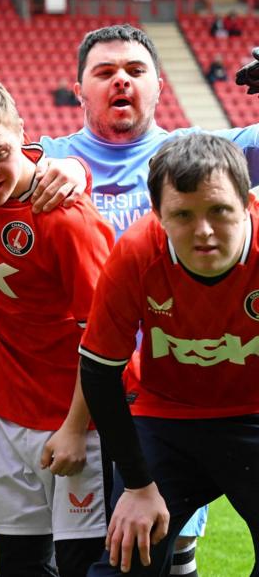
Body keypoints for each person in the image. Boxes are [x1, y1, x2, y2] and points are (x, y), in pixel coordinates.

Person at [38, 24, 259, 572]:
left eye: (135, 71)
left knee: (174, 545)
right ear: (78, 88)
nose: (203, 229)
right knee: (113, 548)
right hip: (117, 389)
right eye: (105, 72)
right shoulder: (47, 160)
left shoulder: (208, 156)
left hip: (229, 390)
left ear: (160, 85)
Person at [0, 75, 114, 577]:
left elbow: (106, 337)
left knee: (83, 567)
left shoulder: (65, 219)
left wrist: (77, 427)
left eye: (1, 154)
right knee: (21, 566)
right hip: (8, 415)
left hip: (79, 421)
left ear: (23, 132)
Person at [82, 133, 259, 576]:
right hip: (166, 421)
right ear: (158, 216)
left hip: (255, 413)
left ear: (246, 202)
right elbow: (100, 373)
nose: (203, 231)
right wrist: (138, 485)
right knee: (125, 558)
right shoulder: (135, 255)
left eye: (219, 210)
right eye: (183, 215)